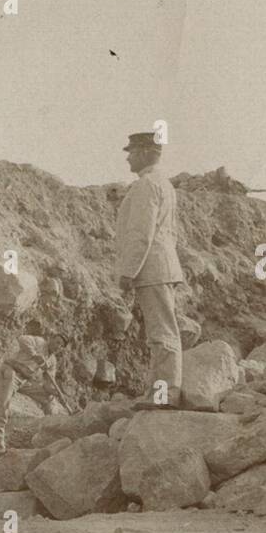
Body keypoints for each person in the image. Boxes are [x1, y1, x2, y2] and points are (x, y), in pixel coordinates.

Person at [115, 131, 186, 410]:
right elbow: (173, 233)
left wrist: (128, 272)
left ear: (145, 152)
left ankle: (165, 394)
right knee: (162, 331)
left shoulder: (146, 185)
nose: (129, 158)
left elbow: (140, 233)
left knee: (161, 333)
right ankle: (159, 392)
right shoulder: (164, 184)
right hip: (161, 266)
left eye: (131, 152)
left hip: (151, 269)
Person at [0, 322, 67, 454]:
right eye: (57, 342)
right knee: (3, 406)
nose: (58, 346)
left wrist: (54, 391)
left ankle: (50, 435)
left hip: (25, 381)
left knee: (48, 398)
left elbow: (49, 383)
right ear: (52, 339)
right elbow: (22, 339)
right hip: (10, 372)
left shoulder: (52, 360)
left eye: (61, 346)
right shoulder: (39, 342)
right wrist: (34, 355)